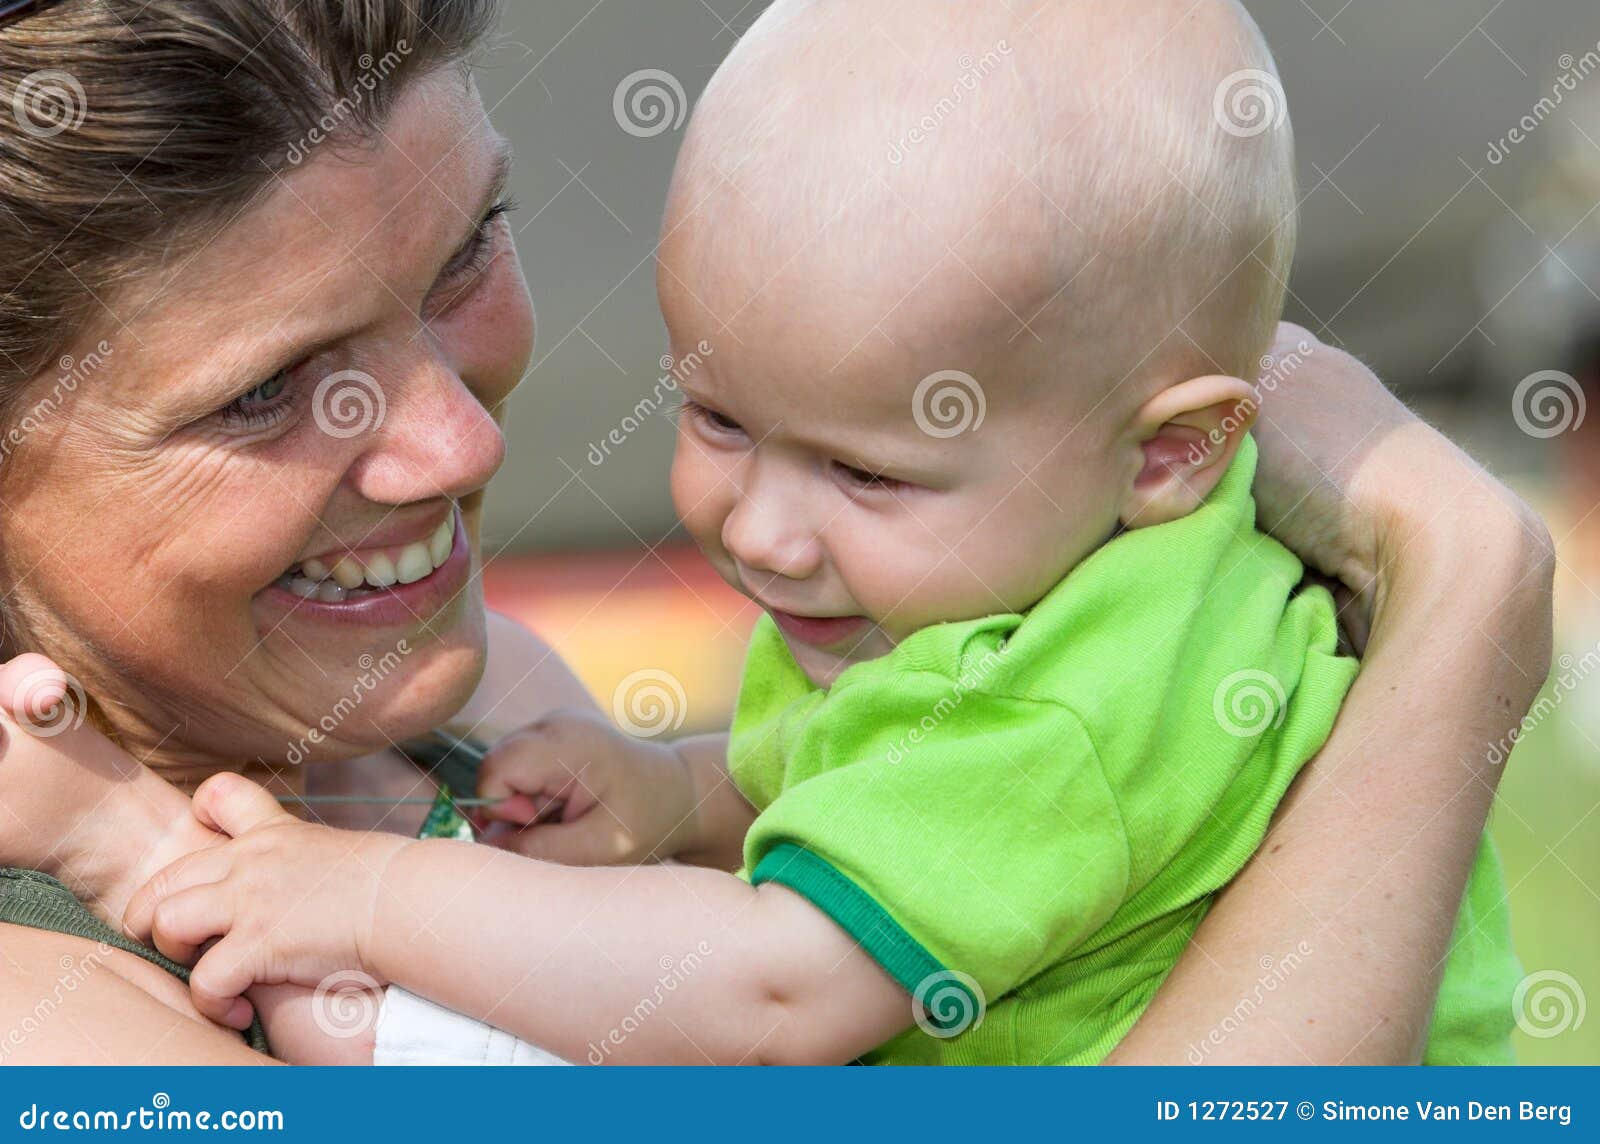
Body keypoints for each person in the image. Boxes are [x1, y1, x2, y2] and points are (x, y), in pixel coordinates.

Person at [0, 0, 1551, 1066]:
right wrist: (1466, 610)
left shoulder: (466, 719)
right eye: (272, 391)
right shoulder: (54, 1024)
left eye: (468, 249)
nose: (463, 444)